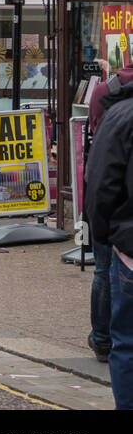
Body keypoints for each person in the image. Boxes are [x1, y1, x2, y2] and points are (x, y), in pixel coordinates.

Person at [86, 71, 133, 409]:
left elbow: (99, 184)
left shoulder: (118, 113)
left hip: (130, 249)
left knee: (128, 344)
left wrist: (106, 237)